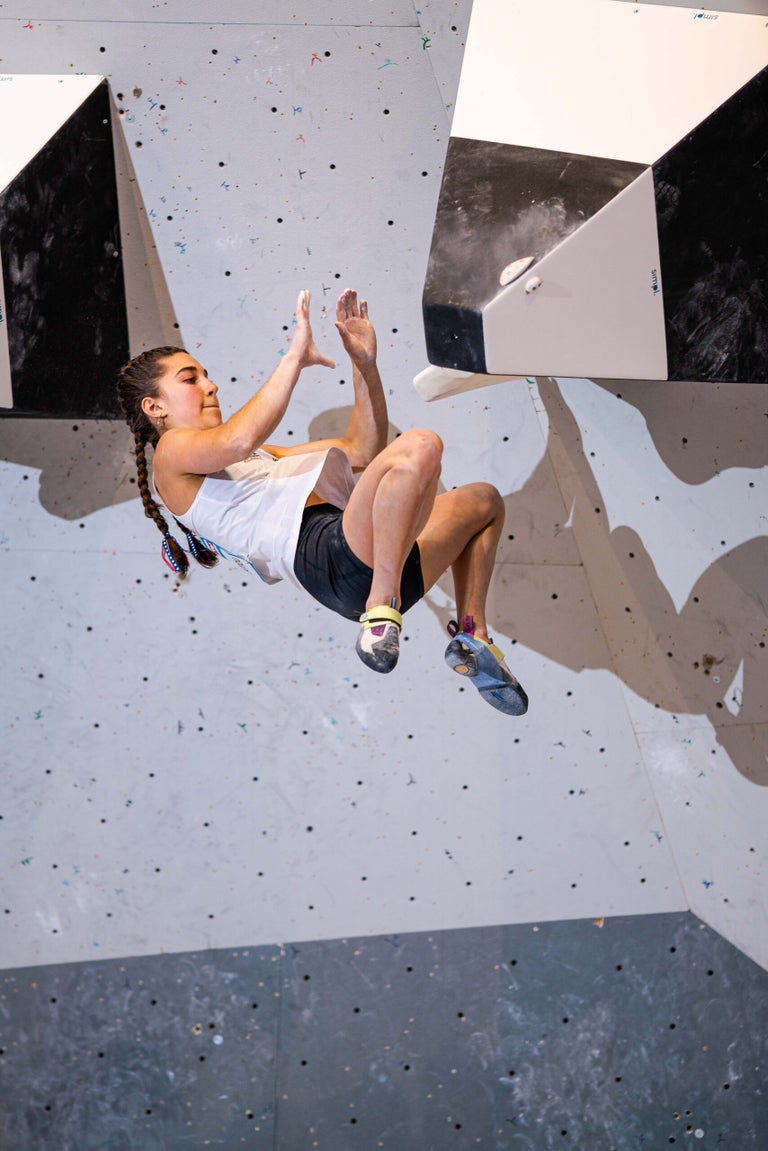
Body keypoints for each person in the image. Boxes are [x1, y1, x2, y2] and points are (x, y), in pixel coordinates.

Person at [116, 289, 528, 716]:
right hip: (330, 559)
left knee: (484, 503)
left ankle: (472, 636)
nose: (210, 384)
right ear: (154, 407)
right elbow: (238, 439)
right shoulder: (170, 457)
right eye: (190, 379)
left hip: (370, 557)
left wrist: (364, 364)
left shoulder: (261, 457)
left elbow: (363, 448)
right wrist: (294, 357)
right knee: (421, 445)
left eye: (206, 374)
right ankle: (381, 611)